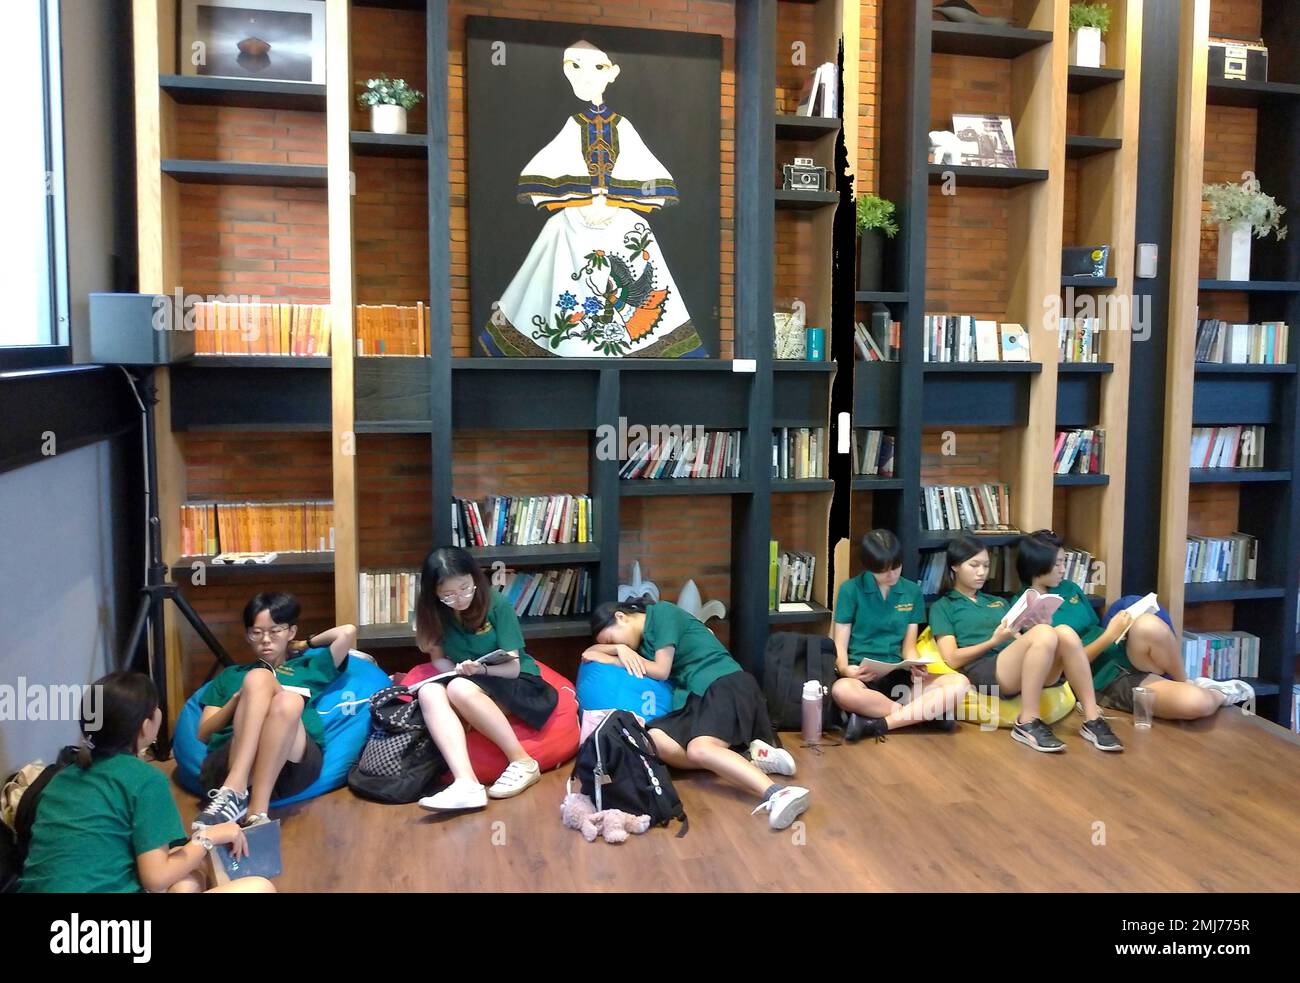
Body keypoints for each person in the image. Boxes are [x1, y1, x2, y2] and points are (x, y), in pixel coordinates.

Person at [477, 39, 707, 358]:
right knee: (556, 230)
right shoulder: (574, 125)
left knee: (638, 231)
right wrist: (582, 203)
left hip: (618, 214)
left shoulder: (622, 126)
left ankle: (643, 339)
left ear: (612, 73)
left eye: (597, 67)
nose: (586, 76)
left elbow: (642, 166)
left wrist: (613, 203)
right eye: (575, 67)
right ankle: (556, 338)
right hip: (575, 216)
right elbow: (553, 165)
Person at [20, 671, 273, 893]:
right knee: (260, 887)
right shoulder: (145, 780)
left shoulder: (59, 779)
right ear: (145, 726)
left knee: (189, 875)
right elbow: (156, 879)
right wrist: (208, 837)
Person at [583, 598, 810, 830]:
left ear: (621, 617)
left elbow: (661, 671)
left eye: (612, 638)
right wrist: (617, 648)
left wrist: (615, 659)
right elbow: (589, 653)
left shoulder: (662, 613)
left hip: (722, 682)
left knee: (699, 749)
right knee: (656, 740)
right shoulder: (640, 645)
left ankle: (777, 792)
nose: (620, 647)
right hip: (694, 698)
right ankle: (749, 758)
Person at [1016, 529, 1254, 719]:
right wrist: (1110, 635)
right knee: (1197, 703)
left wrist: (1120, 631)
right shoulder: (1029, 608)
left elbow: (1094, 626)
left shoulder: (1069, 588)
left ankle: (1187, 680)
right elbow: (1062, 668)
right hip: (1102, 679)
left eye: (1063, 561)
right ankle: (1217, 694)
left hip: (1119, 652)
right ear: (1038, 565)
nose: (1063, 568)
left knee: (1148, 624)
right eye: (1057, 563)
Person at [927, 534, 1123, 753]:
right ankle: (1027, 721)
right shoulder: (943, 607)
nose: (981, 572)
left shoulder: (998, 602)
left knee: (1064, 633)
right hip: (986, 668)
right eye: (974, 565)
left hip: (1018, 663)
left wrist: (1044, 627)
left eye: (986, 566)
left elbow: (1020, 639)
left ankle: (1092, 719)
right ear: (955, 566)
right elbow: (951, 657)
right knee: (1046, 634)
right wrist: (994, 640)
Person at [413, 547, 559, 812]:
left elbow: (513, 667)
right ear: (434, 592)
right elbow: (437, 658)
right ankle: (466, 783)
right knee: (428, 692)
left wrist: (478, 672)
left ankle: (523, 761)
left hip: (514, 680)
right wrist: (453, 668)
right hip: (471, 679)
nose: (459, 599)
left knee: (458, 688)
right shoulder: (435, 612)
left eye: (465, 588)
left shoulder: (497, 604)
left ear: (475, 578)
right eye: (448, 594)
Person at [193, 593, 356, 827]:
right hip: (227, 762)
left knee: (288, 701)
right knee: (259, 678)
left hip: (292, 764)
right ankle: (254, 810)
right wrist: (239, 699)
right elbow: (204, 733)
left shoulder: (307, 667)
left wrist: (304, 644)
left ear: (290, 631)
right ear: (247, 636)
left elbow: (347, 632)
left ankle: (235, 793)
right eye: (257, 633)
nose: (266, 640)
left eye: (275, 631)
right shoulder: (231, 676)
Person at [831, 529, 970, 742]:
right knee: (842, 691)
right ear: (869, 568)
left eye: (896, 567)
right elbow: (839, 645)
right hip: (862, 676)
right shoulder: (850, 590)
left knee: (960, 683)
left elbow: (909, 647)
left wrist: (916, 665)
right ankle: (924, 717)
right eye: (884, 571)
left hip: (899, 676)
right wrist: (845, 669)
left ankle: (878, 723)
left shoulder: (911, 591)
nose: (892, 575)